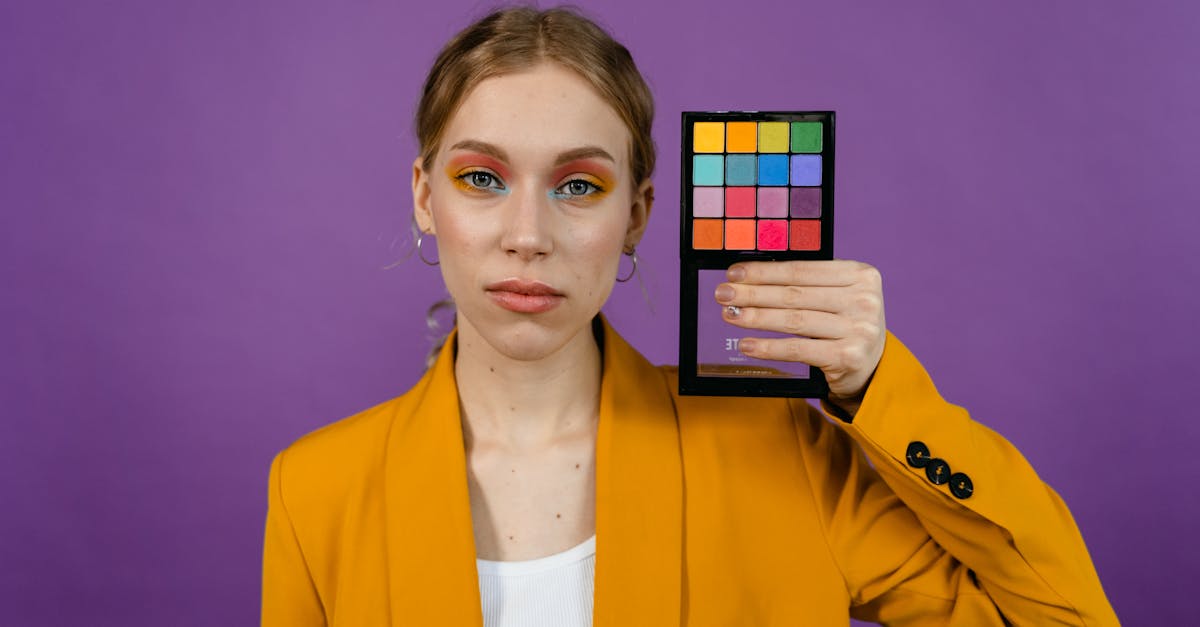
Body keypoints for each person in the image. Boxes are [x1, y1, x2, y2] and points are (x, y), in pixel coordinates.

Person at [261, 6, 1118, 626]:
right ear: (423, 195)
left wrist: (879, 390)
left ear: (636, 213)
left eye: (579, 186)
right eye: (482, 177)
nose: (527, 235)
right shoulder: (316, 491)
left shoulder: (776, 448)